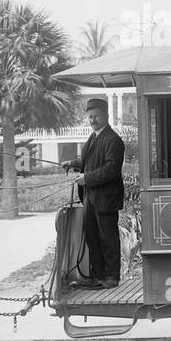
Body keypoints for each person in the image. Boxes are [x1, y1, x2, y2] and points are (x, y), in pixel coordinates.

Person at [61, 98, 125, 289]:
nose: (92, 120)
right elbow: (91, 161)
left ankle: (112, 277)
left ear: (106, 115)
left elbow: (110, 169)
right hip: (90, 197)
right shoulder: (94, 137)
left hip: (105, 199)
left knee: (108, 239)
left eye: (96, 116)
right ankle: (97, 276)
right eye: (89, 116)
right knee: (93, 237)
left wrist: (86, 178)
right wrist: (73, 163)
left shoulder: (113, 140)